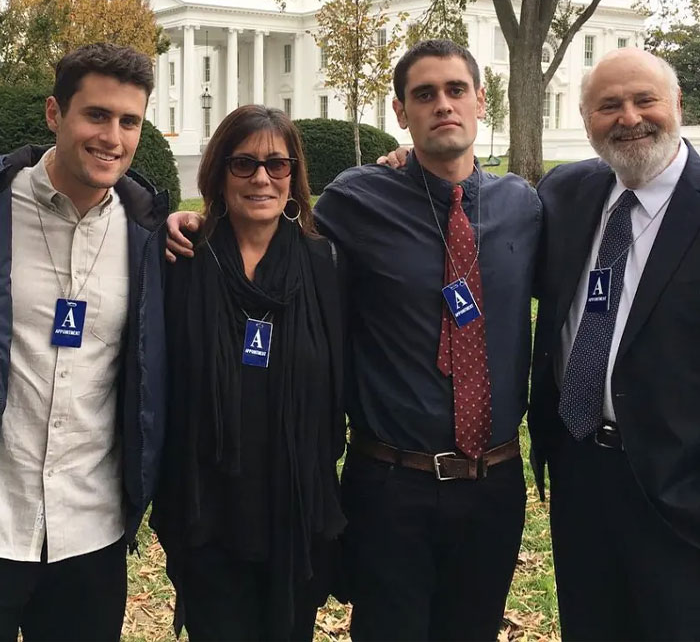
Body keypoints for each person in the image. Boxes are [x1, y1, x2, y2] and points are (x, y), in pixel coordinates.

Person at [167, 38, 540, 641]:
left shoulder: (525, 206)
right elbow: (273, 222)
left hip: (493, 484)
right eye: (424, 95)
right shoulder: (357, 200)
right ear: (400, 112)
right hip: (391, 483)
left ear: (480, 101)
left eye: (455, 90)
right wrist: (188, 222)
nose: (442, 105)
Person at [151, 105, 346, 642]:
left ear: (293, 176)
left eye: (277, 165)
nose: (262, 177)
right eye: (244, 164)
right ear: (218, 173)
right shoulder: (181, 261)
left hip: (296, 517)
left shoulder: (325, 264)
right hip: (209, 519)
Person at [529, 47, 700, 641]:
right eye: (608, 105)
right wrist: (405, 167)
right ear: (586, 120)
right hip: (580, 470)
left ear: (677, 105)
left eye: (644, 99)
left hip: (678, 486)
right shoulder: (564, 193)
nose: (629, 117)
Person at [0, 43, 168, 642]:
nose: (113, 137)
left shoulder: (148, 231)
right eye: (96, 115)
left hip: (90, 533)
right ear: (54, 113)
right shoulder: (3, 203)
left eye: (129, 122)